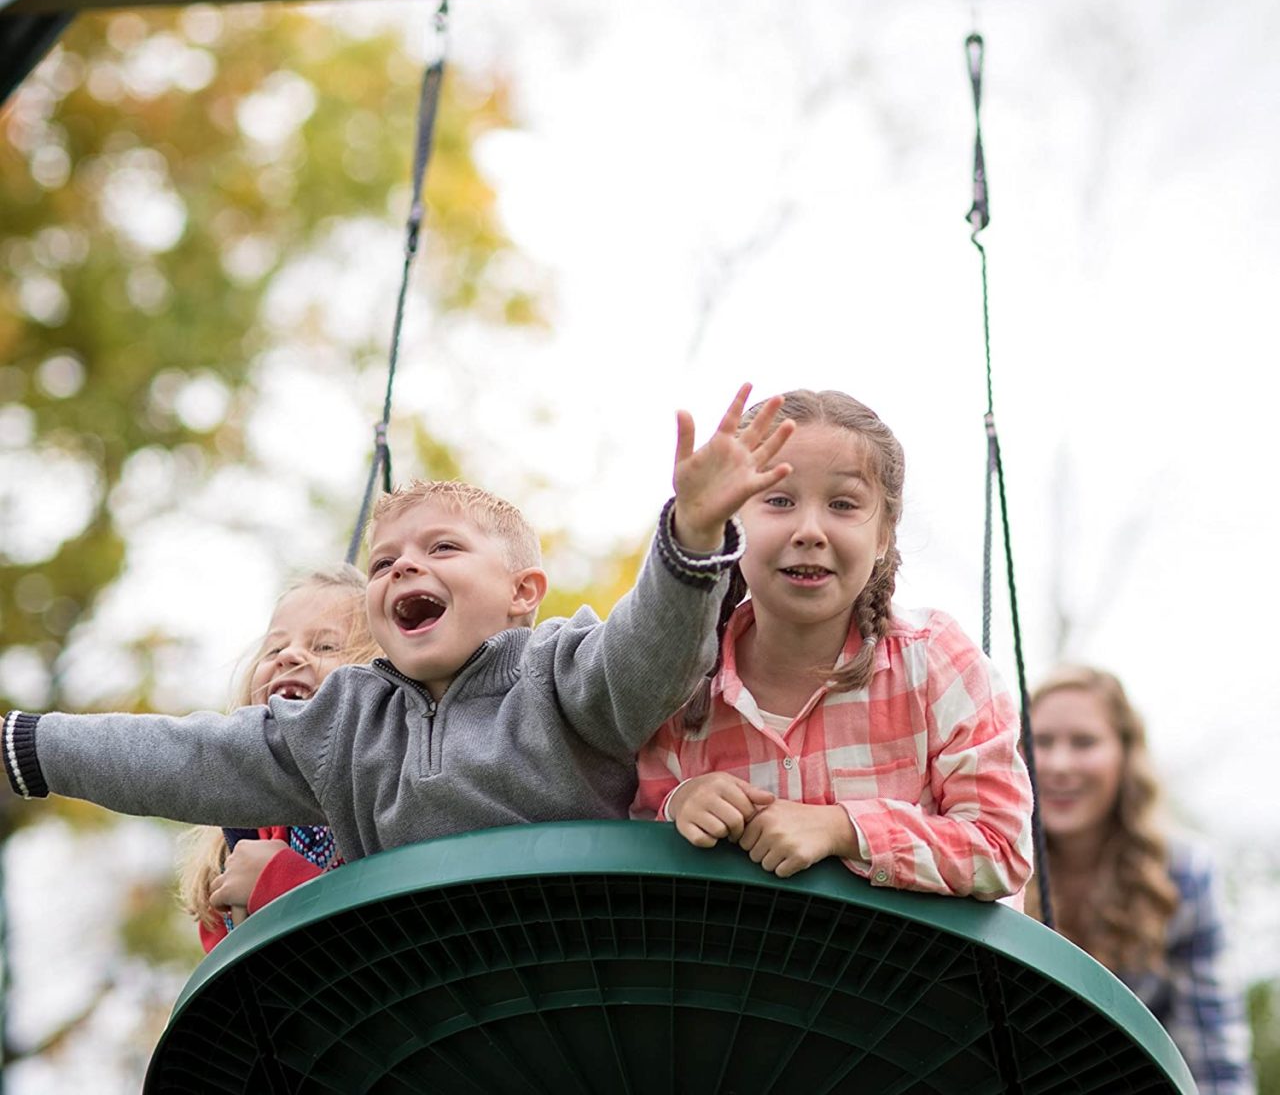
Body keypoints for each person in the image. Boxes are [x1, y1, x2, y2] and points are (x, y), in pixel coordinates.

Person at [3, 385, 794, 868]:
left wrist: (692, 536)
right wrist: (28, 745)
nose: (404, 569)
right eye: (383, 564)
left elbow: (652, 654)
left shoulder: (562, 676)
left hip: (568, 970)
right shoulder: (343, 728)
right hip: (417, 1003)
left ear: (522, 591)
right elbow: (189, 756)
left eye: (442, 548)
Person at [633, 388, 1033, 901]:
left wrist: (845, 829)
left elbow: (1002, 848)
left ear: (884, 535)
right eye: (779, 500)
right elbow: (634, 848)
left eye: (842, 505)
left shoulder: (937, 664)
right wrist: (679, 805)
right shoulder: (682, 682)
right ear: (731, 522)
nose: (809, 531)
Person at [1029, 666, 1256, 1094]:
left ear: (1125, 755)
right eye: (1042, 741)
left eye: (1084, 742)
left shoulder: (1184, 876)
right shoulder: (990, 869)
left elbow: (1214, 1056)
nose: (1059, 764)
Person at [177, 564, 380, 951]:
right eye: (274, 648)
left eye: (325, 646)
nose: (289, 655)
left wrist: (275, 881)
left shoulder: (382, 804)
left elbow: (392, 933)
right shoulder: (231, 845)